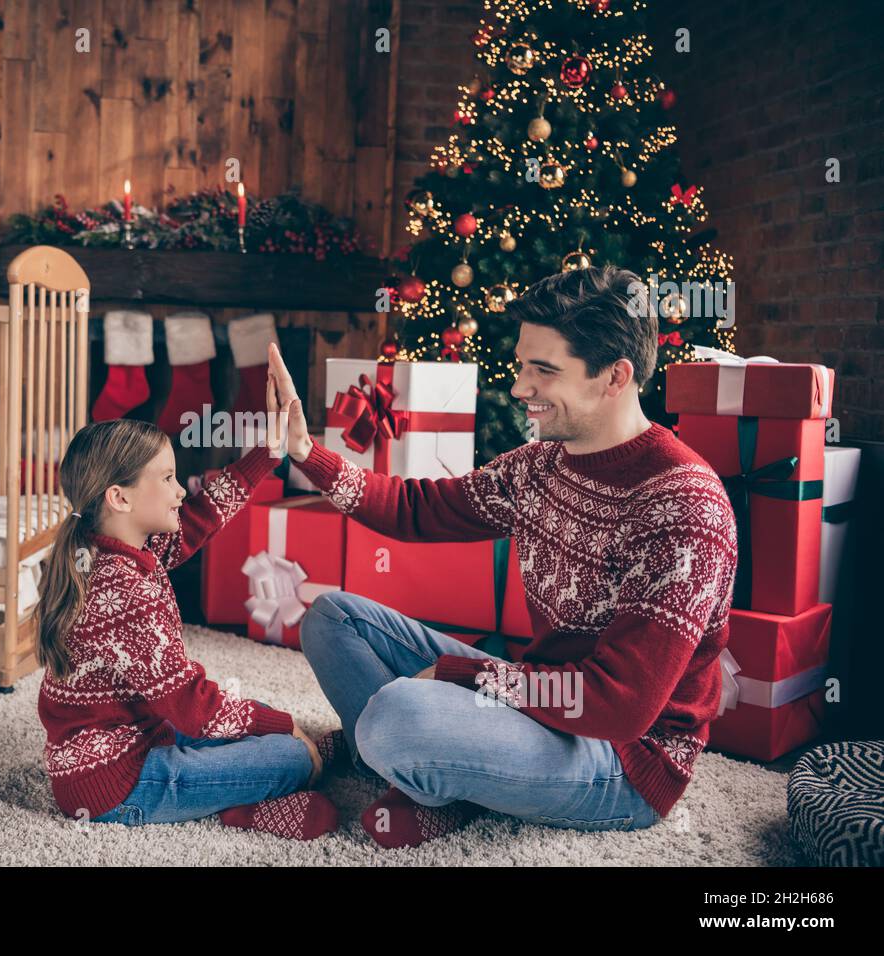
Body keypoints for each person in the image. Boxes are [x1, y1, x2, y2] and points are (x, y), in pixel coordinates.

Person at [266, 265, 739, 849]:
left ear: (616, 377)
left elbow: (619, 706)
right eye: (522, 364)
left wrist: (469, 677)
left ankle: (405, 760)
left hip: (622, 758)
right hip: (538, 700)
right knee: (332, 618)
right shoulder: (541, 464)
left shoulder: (684, 505)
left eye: (544, 370)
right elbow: (417, 510)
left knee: (399, 716)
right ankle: (432, 776)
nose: (519, 388)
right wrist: (308, 452)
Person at [36, 411, 340, 841]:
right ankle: (245, 813)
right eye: (166, 479)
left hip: (141, 733)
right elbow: (195, 708)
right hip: (118, 784)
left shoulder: (114, 547)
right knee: (290, 757)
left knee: (251, 730)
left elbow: (202, 516)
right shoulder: (125, 593)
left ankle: (274, 768)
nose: (181, 491)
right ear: (119, 498)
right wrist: (284, 723)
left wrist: (270, 451)